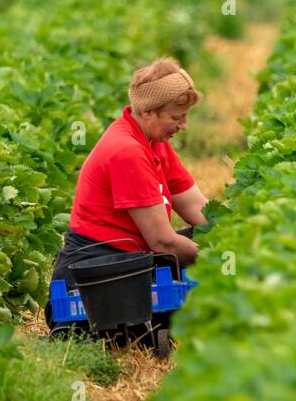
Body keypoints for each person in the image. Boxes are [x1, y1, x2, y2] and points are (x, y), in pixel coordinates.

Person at [44, 58, 209, 345]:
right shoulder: (126, 152)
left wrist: (235, 240)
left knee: (207, 240)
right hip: (97, 272)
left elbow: (198, 209)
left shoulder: (155, 142)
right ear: (147, 111)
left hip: (133, 259)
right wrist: (218, 260)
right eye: (177, 117)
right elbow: (163, 243)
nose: (184, 125)